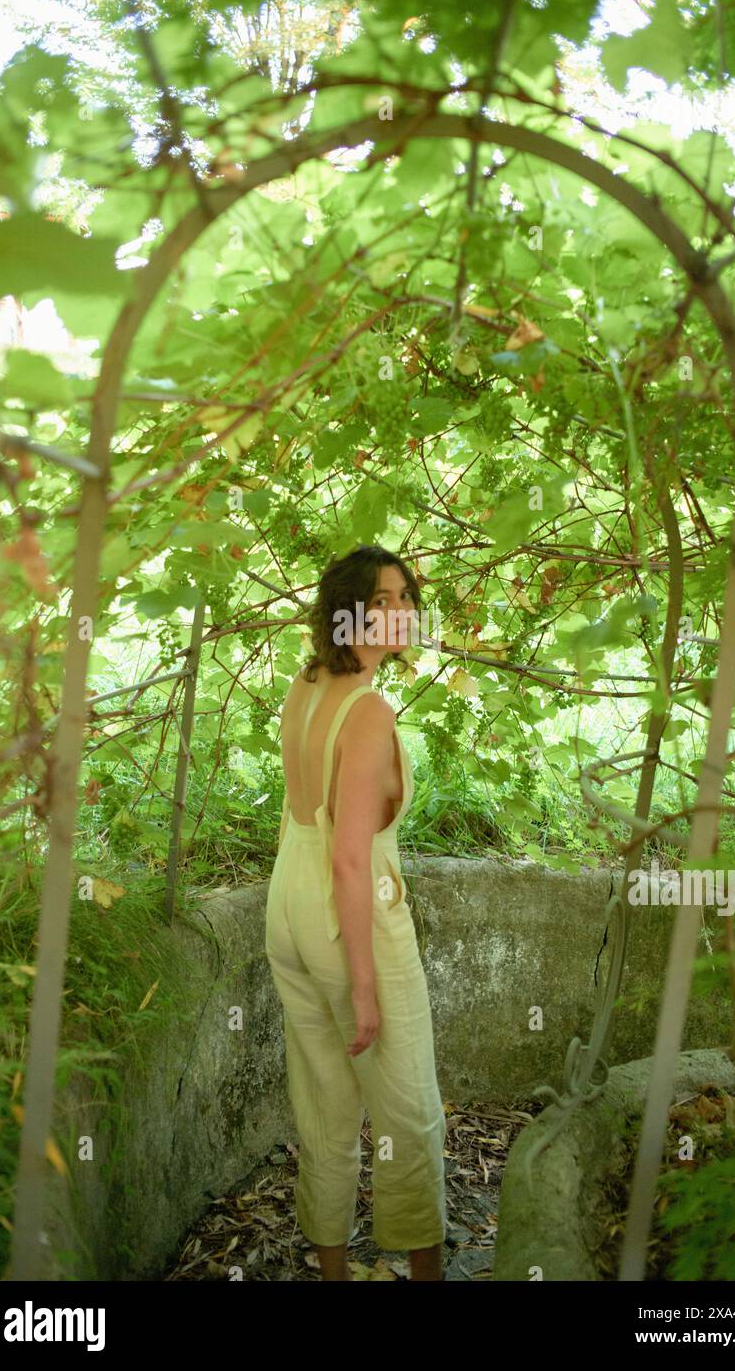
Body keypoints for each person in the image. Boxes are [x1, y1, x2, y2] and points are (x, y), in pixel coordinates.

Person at [265, 544, 448, 1281]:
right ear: (350, 610)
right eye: (384, 600)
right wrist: (365, 985)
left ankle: (334, 1270)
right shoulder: (368, 713)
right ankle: (428, 1272)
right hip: (348, 909)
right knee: (409, 1109)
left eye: (407, 597)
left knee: (323, 1101)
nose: (403, 612)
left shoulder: (307, 684)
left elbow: (302, 812)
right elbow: (349, 858)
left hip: (288, 899)